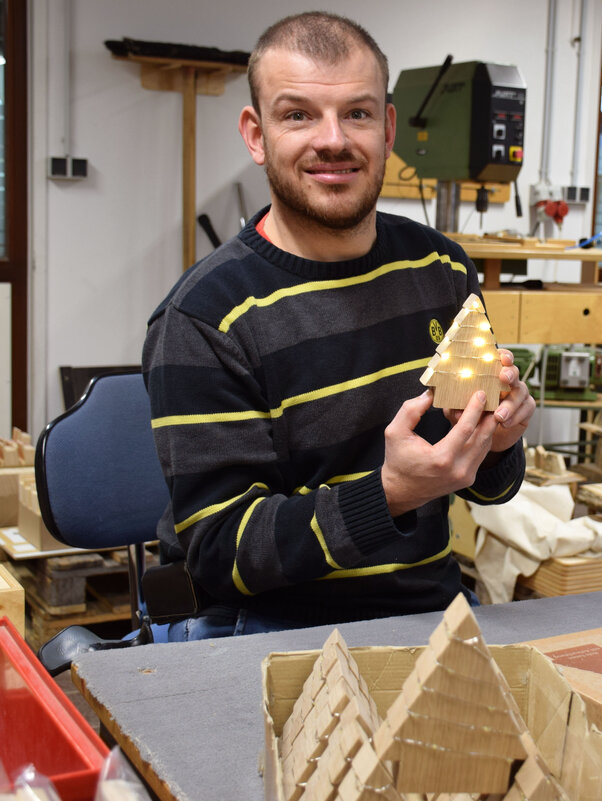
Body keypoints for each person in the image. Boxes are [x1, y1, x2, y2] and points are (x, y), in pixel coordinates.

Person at [141, 11, 532, 640]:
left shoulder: (440, 270)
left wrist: (501, 444)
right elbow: (219, 553)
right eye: (298, 115)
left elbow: (488, 490)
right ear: (256, 134)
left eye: (358, 113)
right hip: (269, 623)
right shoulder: (205, 318)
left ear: (389, 127)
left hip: (428, 606)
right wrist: (388, 495)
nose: (333, 140)